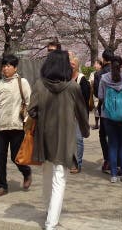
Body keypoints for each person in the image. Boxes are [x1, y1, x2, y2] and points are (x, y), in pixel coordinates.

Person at [28, 50, 90, 230]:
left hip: (44, 137)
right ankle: (51, 223)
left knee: (47, 174)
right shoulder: (72, 87)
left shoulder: (39, 85)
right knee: (59, 178)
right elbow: (82, 112)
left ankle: (48, 211)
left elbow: (32, 111)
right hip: (64, 138)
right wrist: (85, 131)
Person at [0, 53, 32, 196]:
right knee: (0, 157)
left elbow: (29, 102)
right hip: (2, 125)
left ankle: (26, 172)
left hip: (17, 125)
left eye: (8, 66)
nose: (5, 69)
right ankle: (2, 185)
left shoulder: (22, 82)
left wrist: (27, 120)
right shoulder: (0, 83)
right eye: (4, 66)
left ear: (15, 68)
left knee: (15, 157)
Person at [98, 55, 122, 183]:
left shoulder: (104, 78)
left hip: (108, 115)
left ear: (110, 65)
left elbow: (100, 96)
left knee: (112, 144)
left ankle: (113, 175)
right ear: (121, 65)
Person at [69, 51, 92, 173]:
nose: (71, 65)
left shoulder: (82, 80)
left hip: (78, 114)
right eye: (69, 64)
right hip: (67, 113)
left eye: (73, 64)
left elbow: (85, 98)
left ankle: (78, 163)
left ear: (77, 66)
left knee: (78, 138)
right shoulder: (65, 78)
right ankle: (71, 160)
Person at [92, 49, 113, 173]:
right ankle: (116, 161)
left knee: (103, 134)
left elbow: (96, 92)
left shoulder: (99, 74)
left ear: (103, 59)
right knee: (114, 135)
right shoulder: (119, 72)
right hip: (118, 108)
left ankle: (107, 159)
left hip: (104, 107)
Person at [88, 60, 102, 130]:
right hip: (95, 93)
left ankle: (102, 124)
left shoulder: (103, 73)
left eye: (96, 64)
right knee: (96, 109)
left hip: (102, 93)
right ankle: (96, 124)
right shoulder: (92, 73)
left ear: (100, 65)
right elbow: (90, 82)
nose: (94, 66)